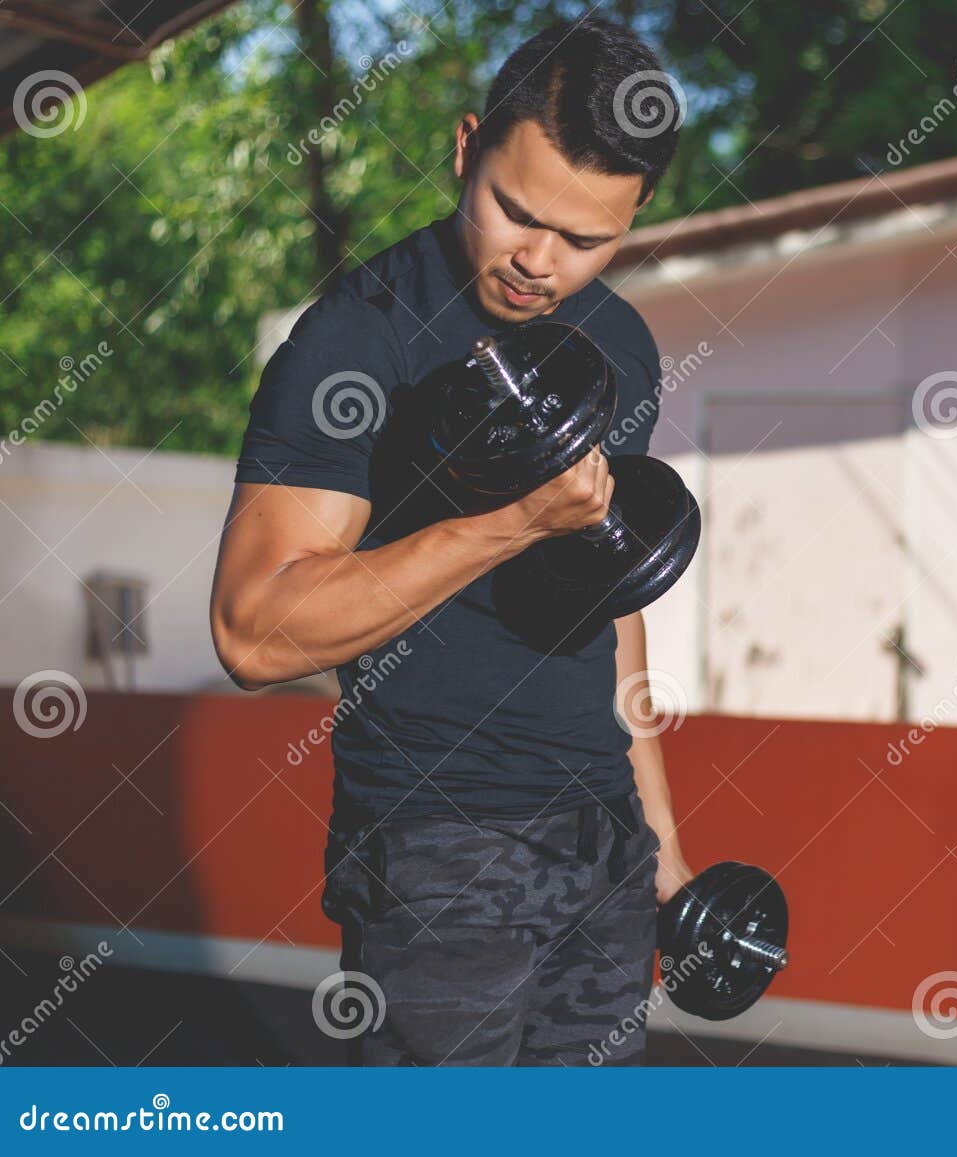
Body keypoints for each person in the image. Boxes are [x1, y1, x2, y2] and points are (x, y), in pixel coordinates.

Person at [208, 16, 693, 1066]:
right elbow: (253, 631)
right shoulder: (359, 335)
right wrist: (512, 520)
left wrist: (662, 850)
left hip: (601, 832)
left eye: (584, 239)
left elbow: (614, 602)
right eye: (515, 212)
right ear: (466, 148)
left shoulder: (617, 343)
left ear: (634, 214)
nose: (538, 260)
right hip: (438, 844)